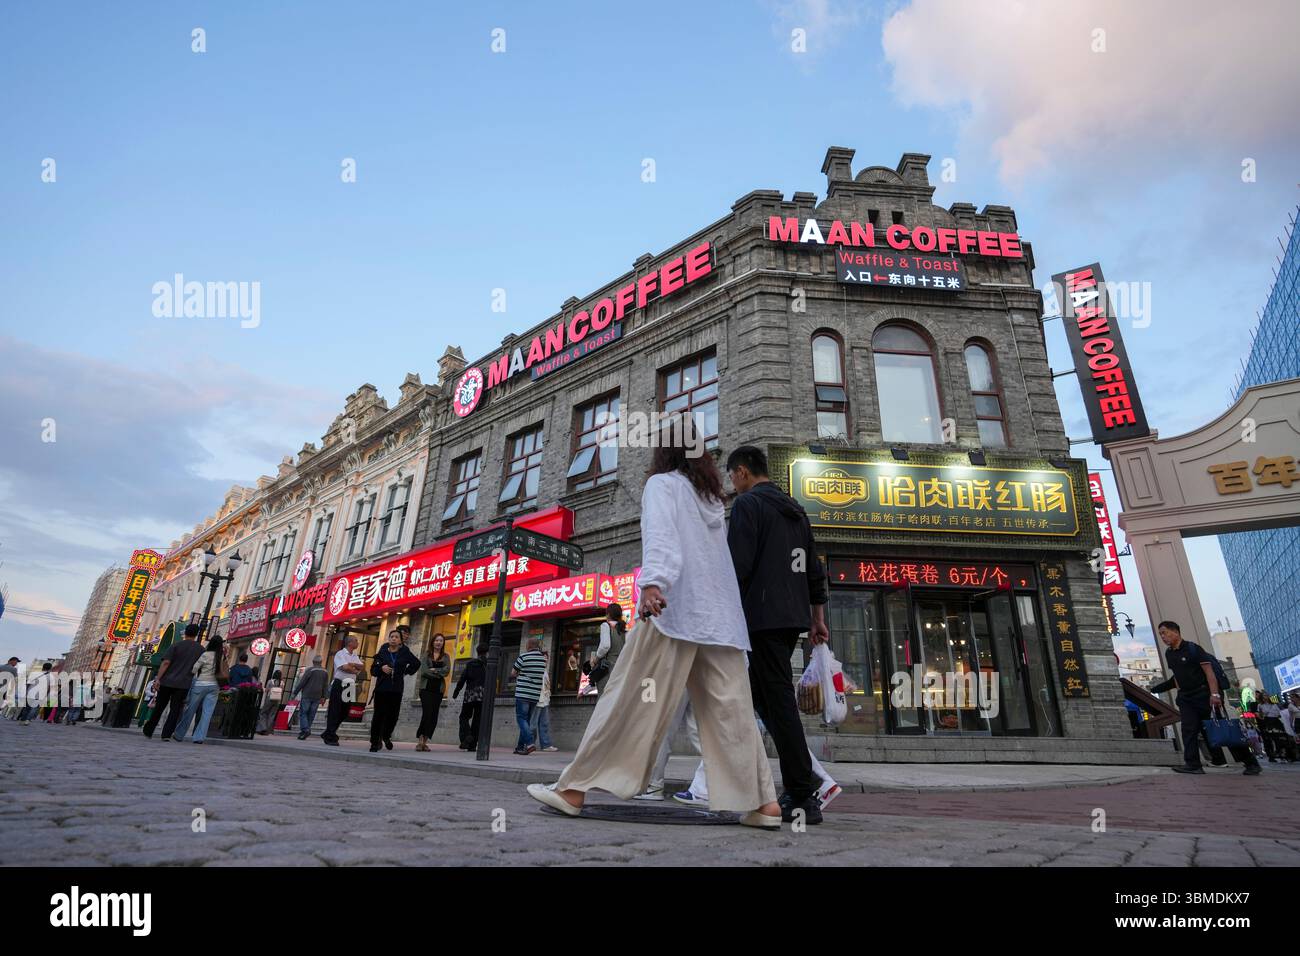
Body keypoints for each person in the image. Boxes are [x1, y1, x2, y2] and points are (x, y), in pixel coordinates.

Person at [526, 414, 782, 828]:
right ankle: (763, 804)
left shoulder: (662, 485)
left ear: (664, 450)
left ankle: (574, 789)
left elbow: (662, 538)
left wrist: (653, 584)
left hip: (673, 612)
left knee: (627, 698)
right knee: (732, 713)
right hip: (721, 621)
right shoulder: (712, 501)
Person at [724, 445, 830, 824]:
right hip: (791, 619)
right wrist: (816, 618)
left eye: (732, 477)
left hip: (761, 619)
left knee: (778, 700)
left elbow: (737, 567)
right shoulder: (796, 511)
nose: (732, 485)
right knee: (761, 697)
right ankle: (790, 781)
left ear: (741, 472)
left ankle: (803, 793)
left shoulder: (748, 506)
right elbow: (814, 572)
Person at [1149, 621, 1261, 776]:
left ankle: (1250, 762)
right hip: (1187, 698)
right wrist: (1180, 694)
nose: (1162, 636)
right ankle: (1193, 764)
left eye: (1164, 632)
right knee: (1188, 729)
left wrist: (1215, 694)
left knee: (1222, 728)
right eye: (1160, 633)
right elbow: (1177, 676)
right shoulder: (1170, 653)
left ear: (1175, 632)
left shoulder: (1193, 649)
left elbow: (1209, 673)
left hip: (1205, 695)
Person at [142, 624, 206, 740]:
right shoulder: (201, 650)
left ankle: (149, 730)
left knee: (159, 707)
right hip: (184, 683)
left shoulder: (176, 645)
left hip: (167, 681)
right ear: (196, 634)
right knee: (175, 709)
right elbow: (201, 667)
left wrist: (158, 679)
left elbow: (166, 663)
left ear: (185, 632)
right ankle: (166, 734)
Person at [369, 625, 419, 752]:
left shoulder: (404, 652)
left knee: (393, 716)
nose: (394, 639)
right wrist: (381, 668)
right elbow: (373, 670)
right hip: (381, 689)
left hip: (396, 689)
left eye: (397, 637)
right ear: (389, 639)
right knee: (378, 715)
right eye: (392, 637)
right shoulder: (383, 651)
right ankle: (375, 742)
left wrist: (405, 672)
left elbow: (416, 663)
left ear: (400, 640)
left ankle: (386, 736)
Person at [173, 635, 227, 744]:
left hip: (200, 684)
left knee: (190, 710)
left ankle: (179, 734)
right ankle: (199, 737)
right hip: (214, 686)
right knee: (207, 713)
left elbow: (194, 669)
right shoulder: (222, 656)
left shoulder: (205, 655)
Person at [322, 634, 364, 746]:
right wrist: (355, 670)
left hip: (350, 685)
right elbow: (344, 667)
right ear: (350, 643)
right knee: (335, 710)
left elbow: (362, 666)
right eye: (356, 641)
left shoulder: (354, 655)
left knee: (345, 711)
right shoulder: (340, 654)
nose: (358, 643)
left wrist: (353, 665)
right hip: (339, 683)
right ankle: (330, 736)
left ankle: (328, 732)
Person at [511, 637, 548, 755]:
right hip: (534, 695)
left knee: (521, 719)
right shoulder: (543, 660)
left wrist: (521, 674)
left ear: (529, 645)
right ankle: (520, 747)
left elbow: (513, 673)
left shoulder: (523, 657)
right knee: (526, 720)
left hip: (522, 693)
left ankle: (530, 742)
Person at [415, 635, 451, 751]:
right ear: (433, 642)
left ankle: (425, 742)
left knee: (434, 716)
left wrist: (435, 670)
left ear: (443, 643)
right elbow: (424, 671)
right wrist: (438, 673)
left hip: (438, 690)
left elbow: (446, 671)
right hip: (426, 689)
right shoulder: (426, 655)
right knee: (427, 713)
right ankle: (420, 741)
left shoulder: (446, 656)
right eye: (436, 640)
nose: (438, 643)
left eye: (441, 641)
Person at [453, 644, 487, 751]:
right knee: (477, 720)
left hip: (470, 693)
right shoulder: (489, 664)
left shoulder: (470, 663)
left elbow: (463, 678)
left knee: (464, 717)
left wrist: (456, 691)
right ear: (487, 652)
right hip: (482, 694)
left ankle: (466, 736)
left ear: (477, 652)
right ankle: (472, 745)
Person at [588, 604, 626, 695]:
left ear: (608, 614)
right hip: (621, 670)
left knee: (604, 698)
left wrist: (596, 659)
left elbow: (605, 646)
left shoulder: (606, 626)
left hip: (607, 670)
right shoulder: (623, 630)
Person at [292, 655, 329, 740]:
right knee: (311, 714)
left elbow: (302, 682)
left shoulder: (310, 670)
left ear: (313, 662)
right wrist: (324, 697)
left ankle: (305, 729)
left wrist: (295, 693)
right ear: (321, 662)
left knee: (304, 712)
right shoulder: (325, 672)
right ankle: (305, 731)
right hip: (317, 696)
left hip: (307, 694)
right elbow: (325, 685)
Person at [529, 650, 557, 752]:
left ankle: (545, 745)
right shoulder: (537, 670)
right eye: (543, 658)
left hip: (544, 700)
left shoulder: (545, 671)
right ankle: (529, 744)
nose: (545, 660)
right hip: (537, 700)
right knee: (532, 724)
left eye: (546, 658)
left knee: (544, 723)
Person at [255, 669, 285, 735]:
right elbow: (282, 691)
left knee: (263, 712)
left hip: (269, 698)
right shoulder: (282, 683)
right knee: (272, 714)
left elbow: (266, 690)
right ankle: (268, 730)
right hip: (277, 700)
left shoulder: (270, 681)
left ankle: (263, 728)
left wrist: (264, 688)